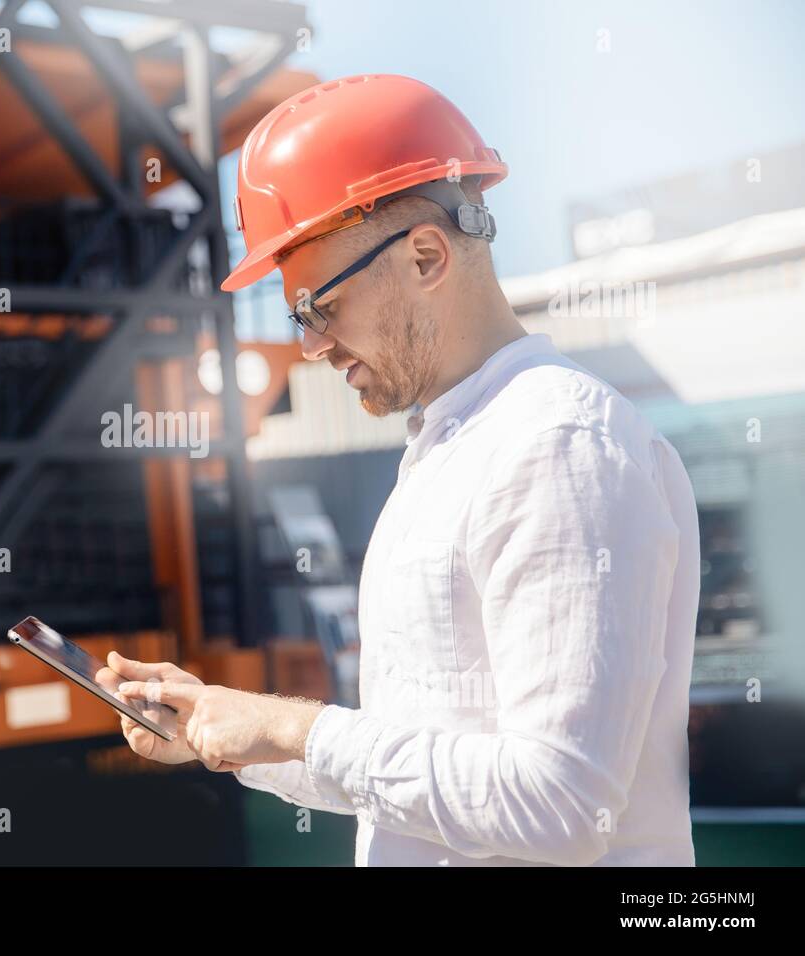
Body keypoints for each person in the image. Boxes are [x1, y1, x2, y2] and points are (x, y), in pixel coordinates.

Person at [97, 74, 699, 866]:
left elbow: (560, 805)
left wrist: (290, 727)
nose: (310, 345)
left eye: (319, 307)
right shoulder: (455, 449)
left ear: (424, 256)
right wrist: (225, 726)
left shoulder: (557, 447)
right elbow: (413, 772)